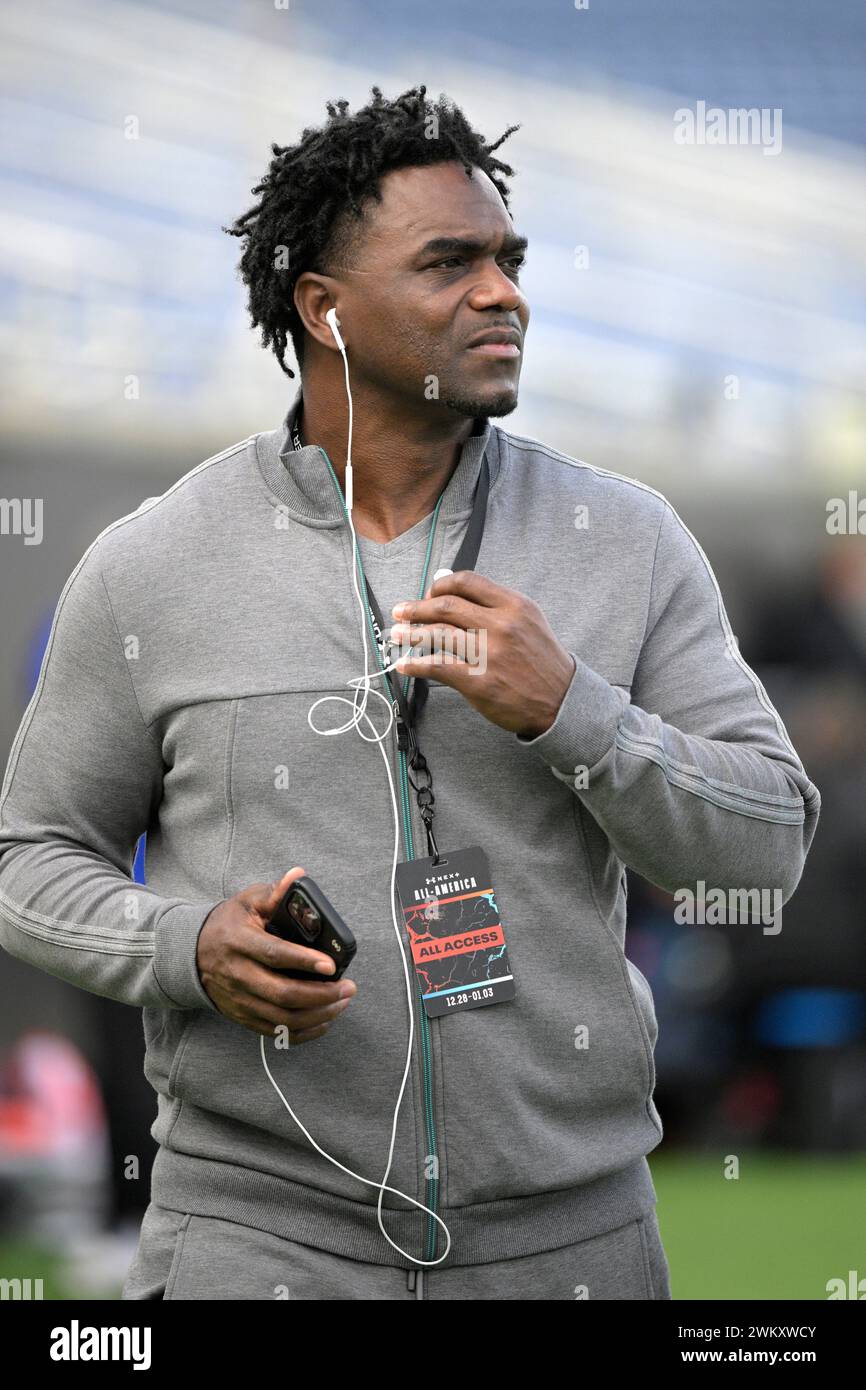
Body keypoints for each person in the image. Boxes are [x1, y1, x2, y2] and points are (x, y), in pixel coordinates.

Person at [0, 84, 820, 1300]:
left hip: (572, 1246)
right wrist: (184, 943)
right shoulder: (150, 562)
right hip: (252, 1238)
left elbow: (765, 848)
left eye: (508, 258)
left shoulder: (626, 539)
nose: (503, 294)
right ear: (322, 308)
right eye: (449, 262)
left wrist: (572, 711)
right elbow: (29, 856)